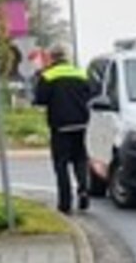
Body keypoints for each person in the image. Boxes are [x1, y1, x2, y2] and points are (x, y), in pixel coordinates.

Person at [31, 46, 93, 213]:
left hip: (60, 126)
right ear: (66, 57)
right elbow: (90, 95)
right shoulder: (80, 73)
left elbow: (40, 100)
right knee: (80, 160)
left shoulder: (48, 76)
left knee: (61, 164)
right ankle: (84, 190)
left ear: (51, 58)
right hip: (81, 123)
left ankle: (65, 203)